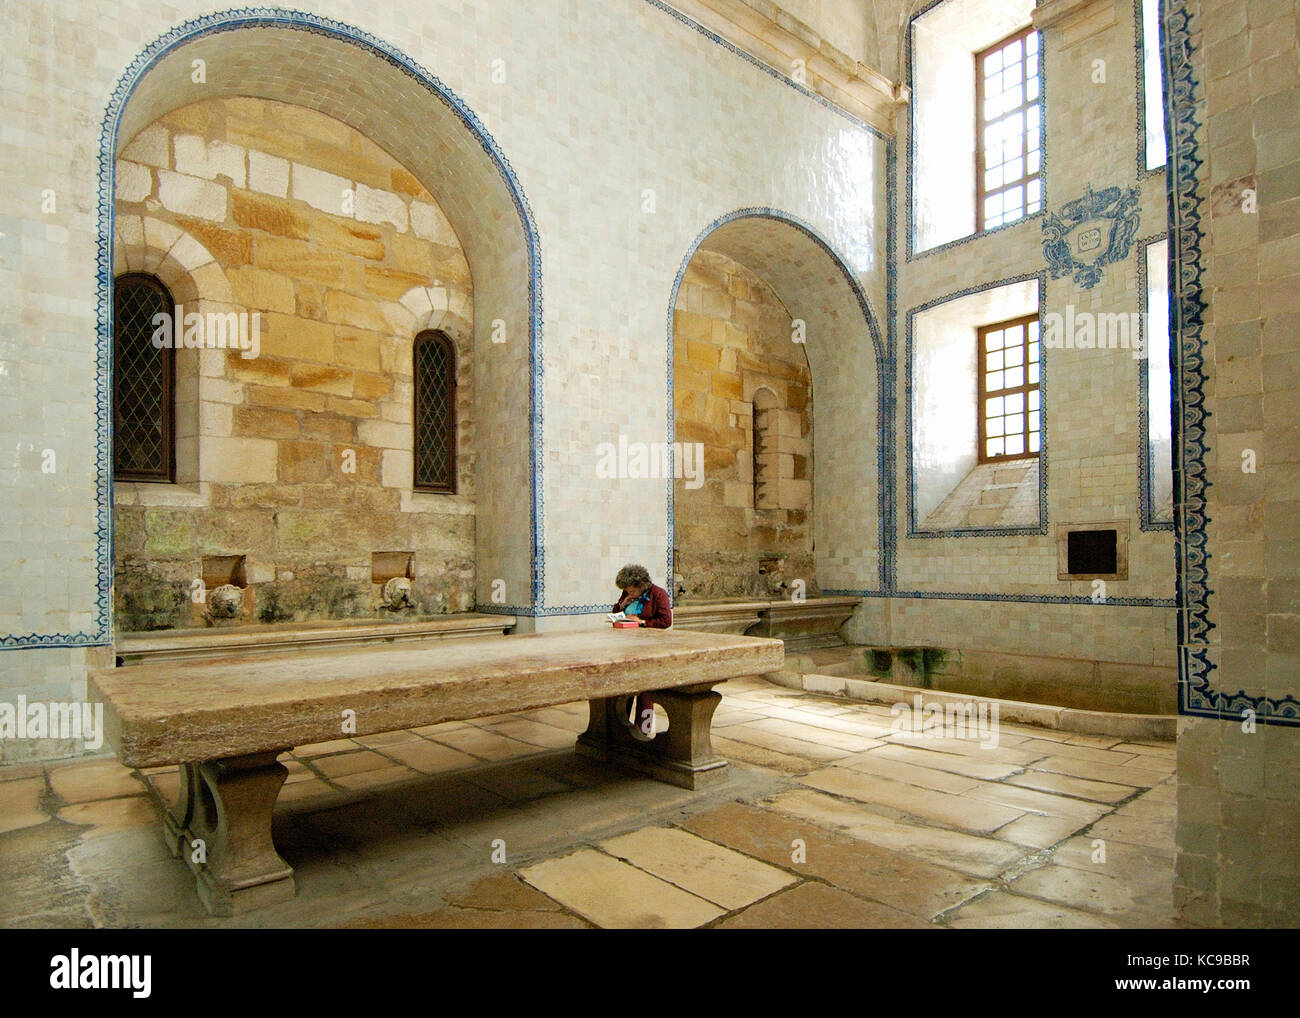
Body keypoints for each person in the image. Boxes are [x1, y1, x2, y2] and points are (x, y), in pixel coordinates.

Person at [611, 564, 672, 738]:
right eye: (626, 591)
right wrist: (622, 605)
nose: (630, 593)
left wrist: (642, 622)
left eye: (632, 591)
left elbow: (665, 621)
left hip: (649, 647)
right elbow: (617, 611)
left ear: (641, 585)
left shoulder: (658, 594)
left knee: (646, 692)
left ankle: (643, 729)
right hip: (627, 646)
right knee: (626, 688)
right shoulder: (627, 594)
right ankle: (622, 725)